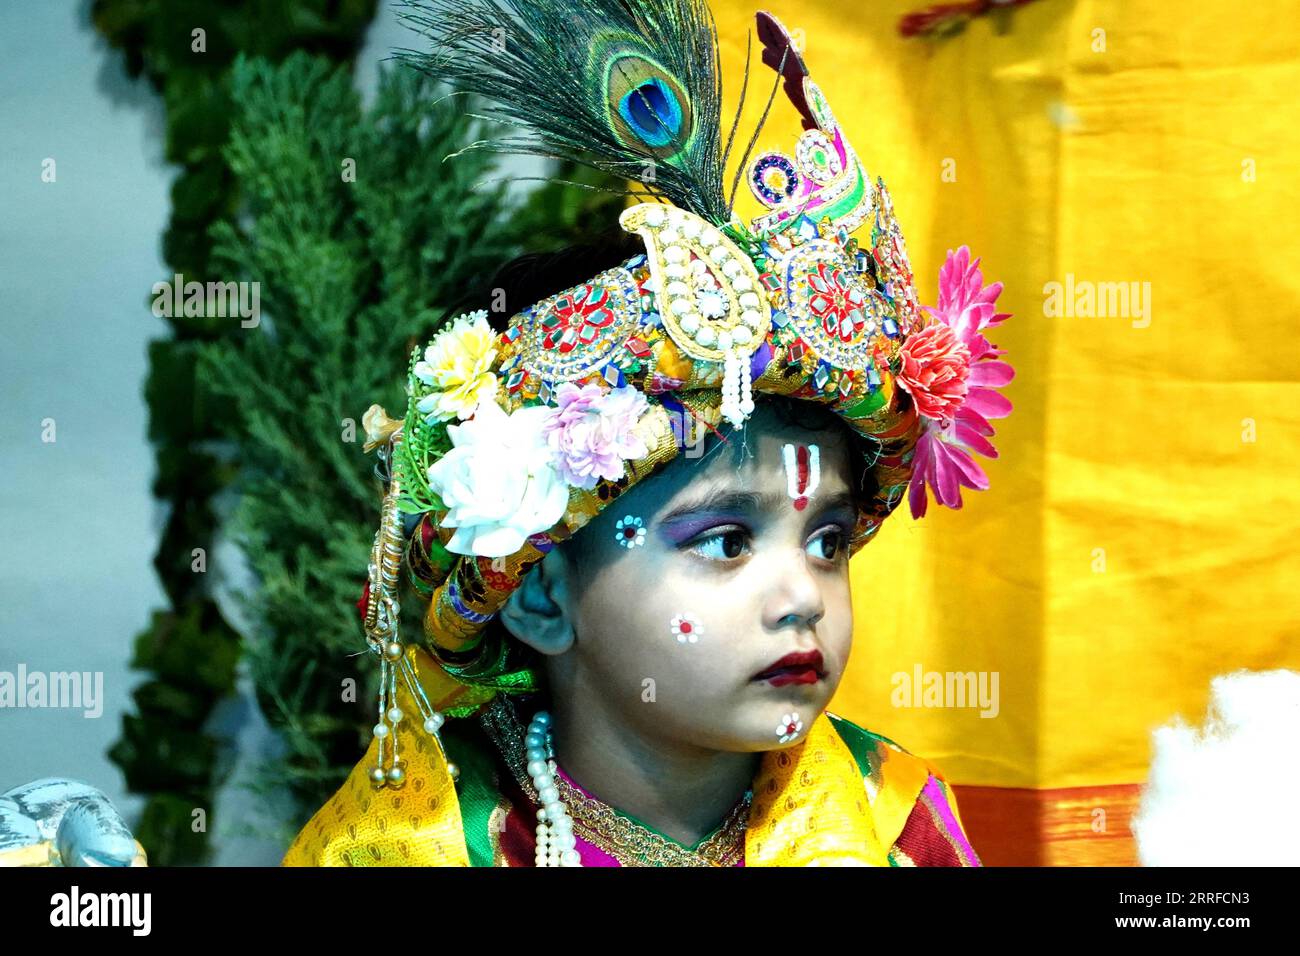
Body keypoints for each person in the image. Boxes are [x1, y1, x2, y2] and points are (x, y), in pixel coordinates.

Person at [282, 0, 1014, 867]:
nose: (803, 597)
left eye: (827, 541)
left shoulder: (887, 818)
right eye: (727, 540)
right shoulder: (414, 845)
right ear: (544, 595)